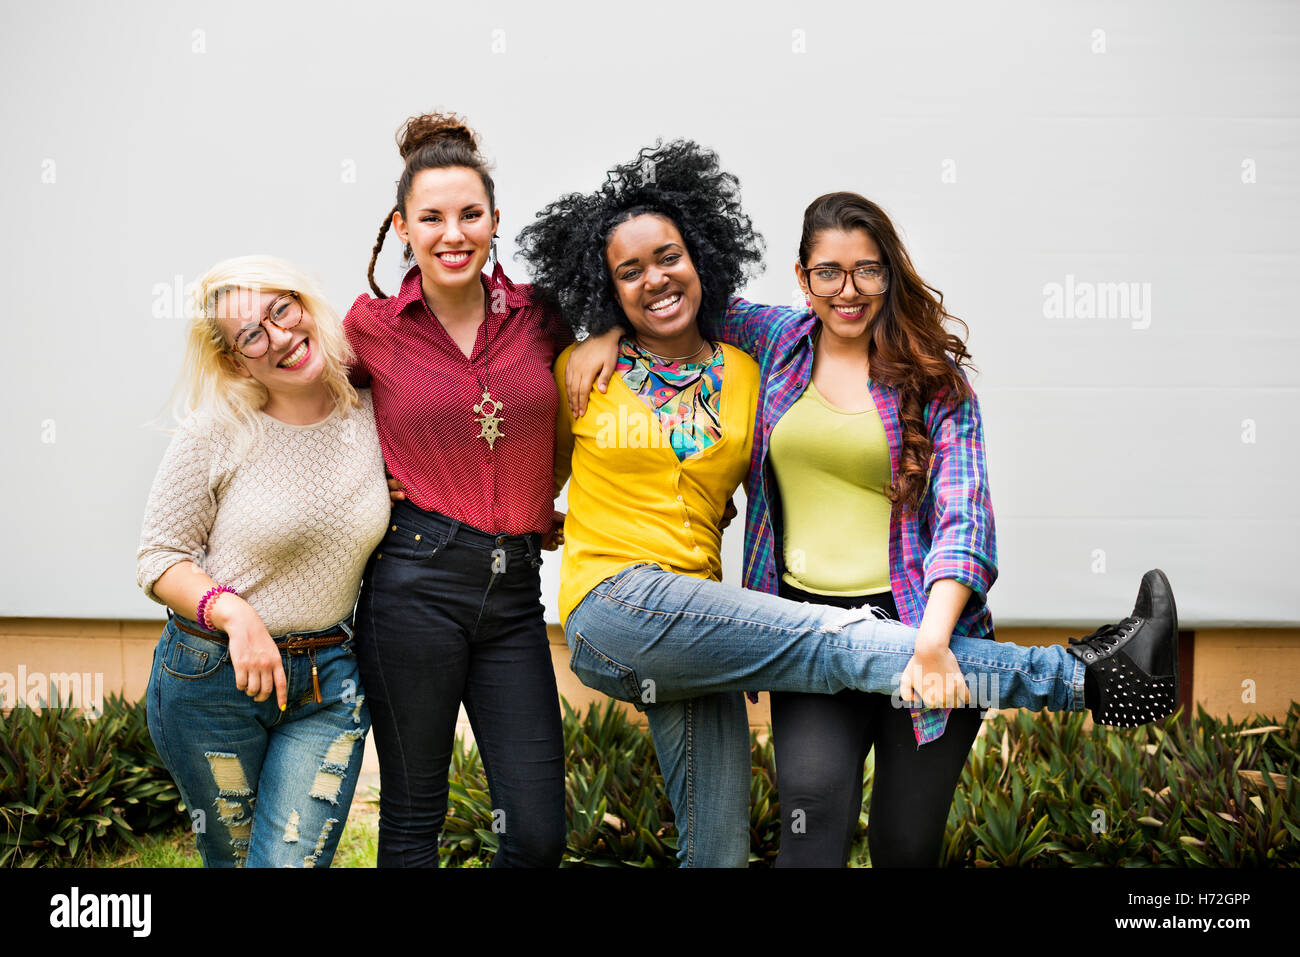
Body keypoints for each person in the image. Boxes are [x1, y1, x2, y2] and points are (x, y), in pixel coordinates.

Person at [523, 140, 1180, 868]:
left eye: (867, 269)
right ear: (803, 279)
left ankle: (1094, 672)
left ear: (889, 273)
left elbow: (965, 520)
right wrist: (601, 335)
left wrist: (932, 640)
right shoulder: (762, 345)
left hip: (892, 616)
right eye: (828, 272)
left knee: (816, 848)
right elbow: (652, 319)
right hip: (712, 608)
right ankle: (1088, 676)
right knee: (816, 775)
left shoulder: (888, 378)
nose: (848, 288)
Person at [344, 112, 618, 866]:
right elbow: (310, 414)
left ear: (496, 221)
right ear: (402, 227)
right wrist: (371, 483)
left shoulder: (543, 317)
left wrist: (606, 335)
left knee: (535, 833)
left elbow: (635, 340)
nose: (451, 232)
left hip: (514, 596)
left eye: (469, 214)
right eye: (431, 217)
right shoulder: (371, 328)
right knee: (412, 820)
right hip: (413, 585)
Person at [137, 255, 388, 868]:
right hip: (213, 679)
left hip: (328, 683)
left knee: (291, 862)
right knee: (235, 858)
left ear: (305, 303)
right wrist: (236, 616)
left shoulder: (373, 413)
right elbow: (159, 557)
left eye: (283, 309)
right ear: (233, 359)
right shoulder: (217, 431)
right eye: (252, 333)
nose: (280, 336)